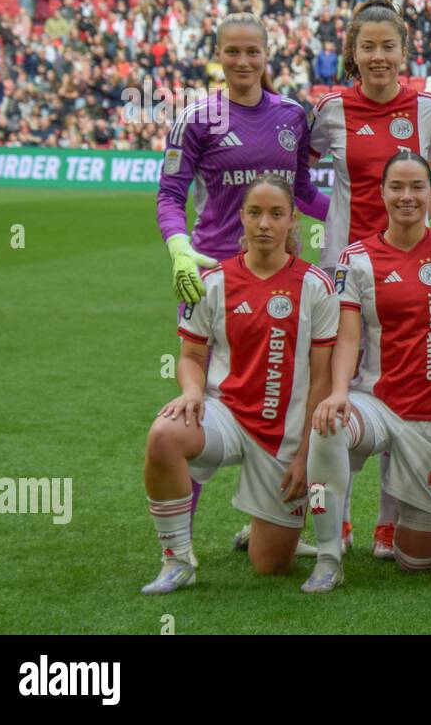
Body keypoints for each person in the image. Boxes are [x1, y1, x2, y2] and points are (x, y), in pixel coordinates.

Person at [156, 11, 330, 553]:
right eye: (232, 52)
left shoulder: (292, 117)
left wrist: (355, 221)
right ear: (218, 56)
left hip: (282, 273)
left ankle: (272, 515)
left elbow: (302, 192)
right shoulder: (197, 118)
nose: (243, 62)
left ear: (267, 54)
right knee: (204, 400)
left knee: (284, 392)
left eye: (252, 52)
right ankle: (178, 541)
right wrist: (180, 249)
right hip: (214, 274)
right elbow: (169, 195)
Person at [140, 174, 338, 594]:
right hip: (225, 414)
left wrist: (305, 455)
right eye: (255, 213)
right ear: (241, 219)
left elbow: (322, 376)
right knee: (164, 435)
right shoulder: (213, 281)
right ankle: (177, 560)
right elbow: (192, 357)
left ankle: (267, 526)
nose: (264, 223)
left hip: (283, 436)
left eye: (276, 214)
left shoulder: (316, 286)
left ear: (293, 220)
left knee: (269, 567)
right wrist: (192, 392)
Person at [309, 0, 431, 560]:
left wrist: (428, 223)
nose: (377, 56)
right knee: (334, 390)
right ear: (353, 52)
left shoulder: (427, 110)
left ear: (403, 52)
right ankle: (334, 522)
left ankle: (388, 523)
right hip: (345, 270)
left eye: (386, 46)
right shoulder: (329, 111)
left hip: (410, 273)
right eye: (366, 47)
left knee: (404, 387)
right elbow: (298, 173)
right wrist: (324, 216)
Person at [301, 151, 431, 592]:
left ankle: (398, 527)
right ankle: (328, 555)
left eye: (416, 187)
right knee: (328, 426)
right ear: (381, 193)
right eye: (396, 187)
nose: (406, 196)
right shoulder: (355, 259)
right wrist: (339, 391)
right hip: (374, 403)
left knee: (418, 562)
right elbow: (348, 338)